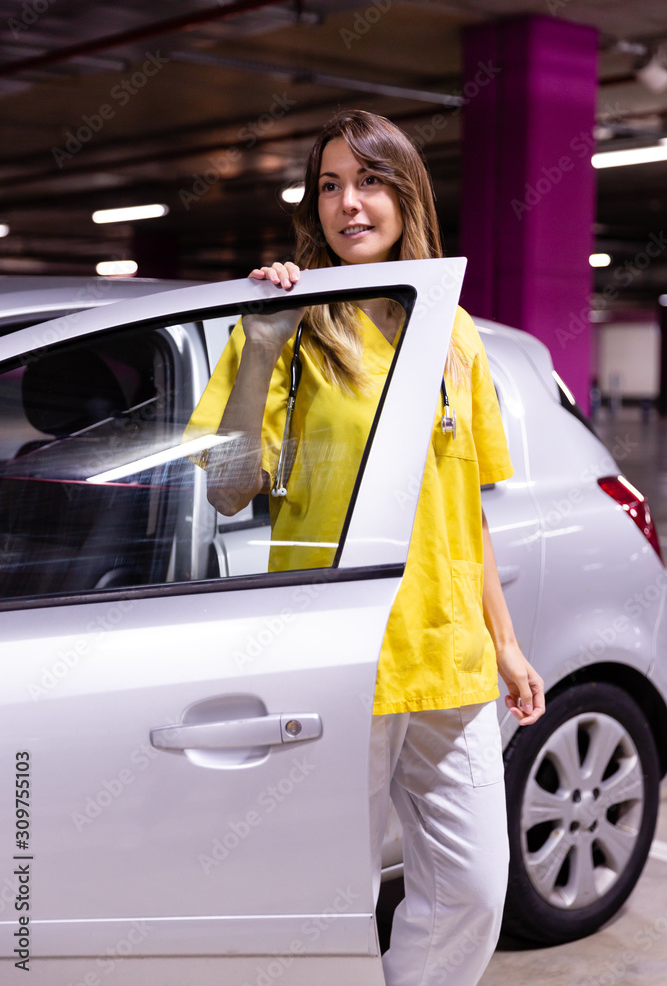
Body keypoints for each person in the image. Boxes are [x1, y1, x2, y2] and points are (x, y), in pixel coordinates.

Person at [186, 109, 545, 986]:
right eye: (331, 185)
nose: (350, 203)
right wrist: (264, 347)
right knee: (323, 898)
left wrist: (503, 641)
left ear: (405, 192)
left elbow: (466, 508)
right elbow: (229, 488)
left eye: (370, 180)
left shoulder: (451, 333)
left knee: (470, 893)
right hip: (336, 652)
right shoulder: (290, 320)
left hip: (446, 655)